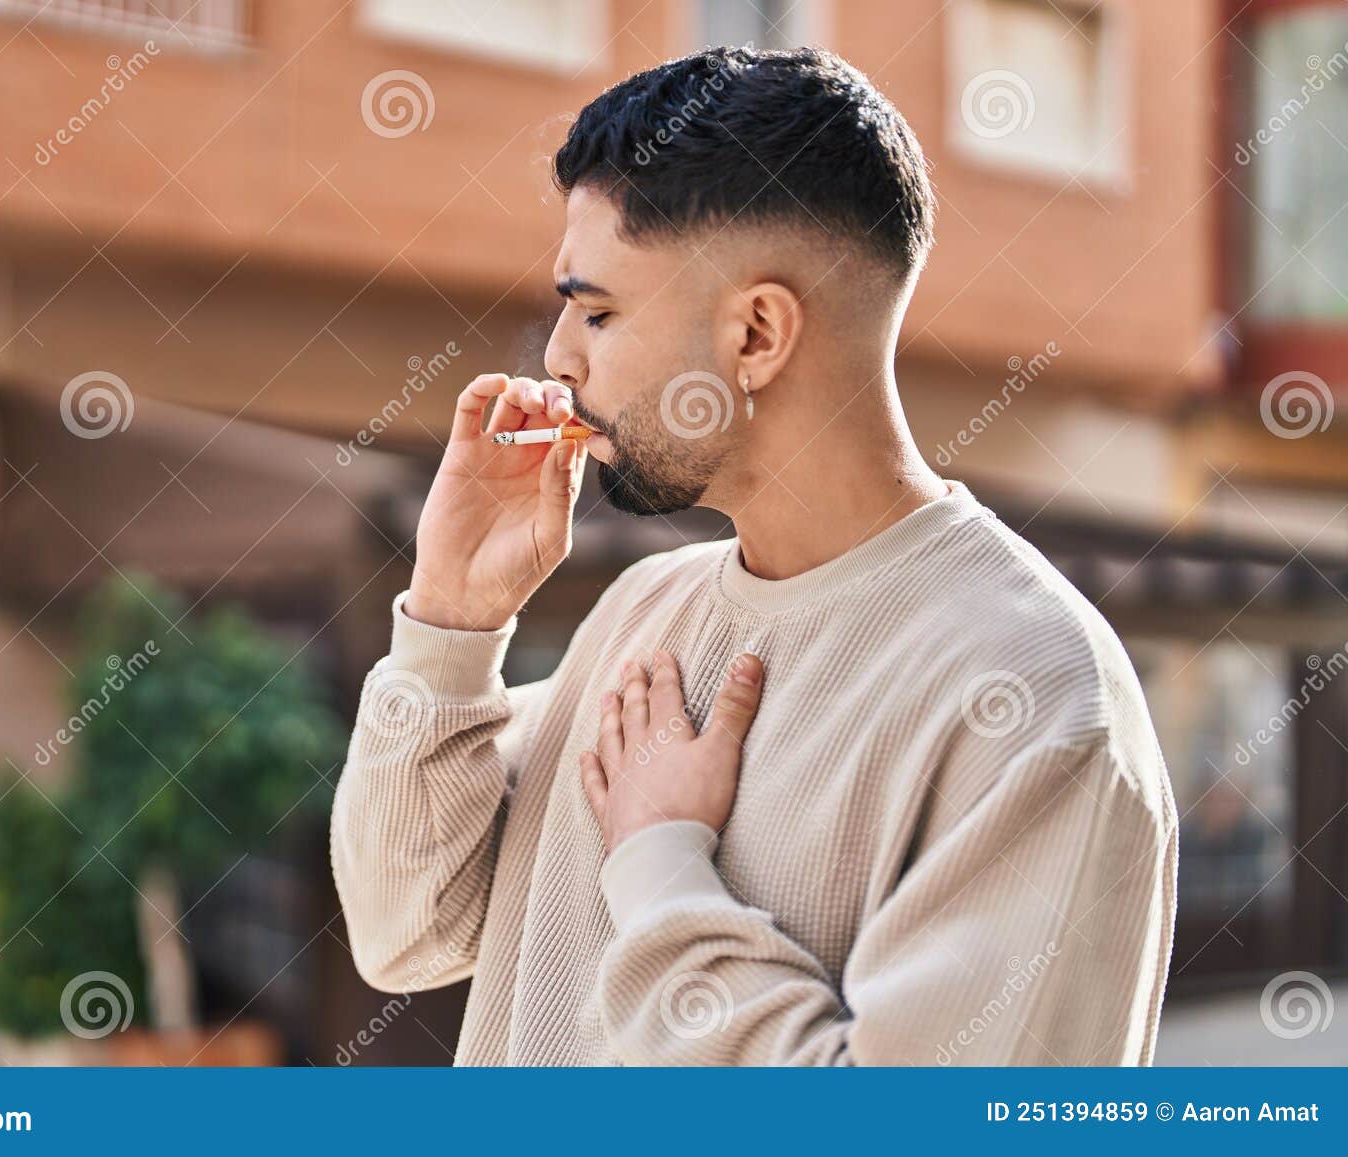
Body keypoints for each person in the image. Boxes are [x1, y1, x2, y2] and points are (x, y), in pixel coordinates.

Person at [330, 44, 1178, 1066]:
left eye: (597, 311)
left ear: (757, 333)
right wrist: (450, 624)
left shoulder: (1035, 697)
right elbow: (403, 933)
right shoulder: (642, 615)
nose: (557, 357)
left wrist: (658, 863)